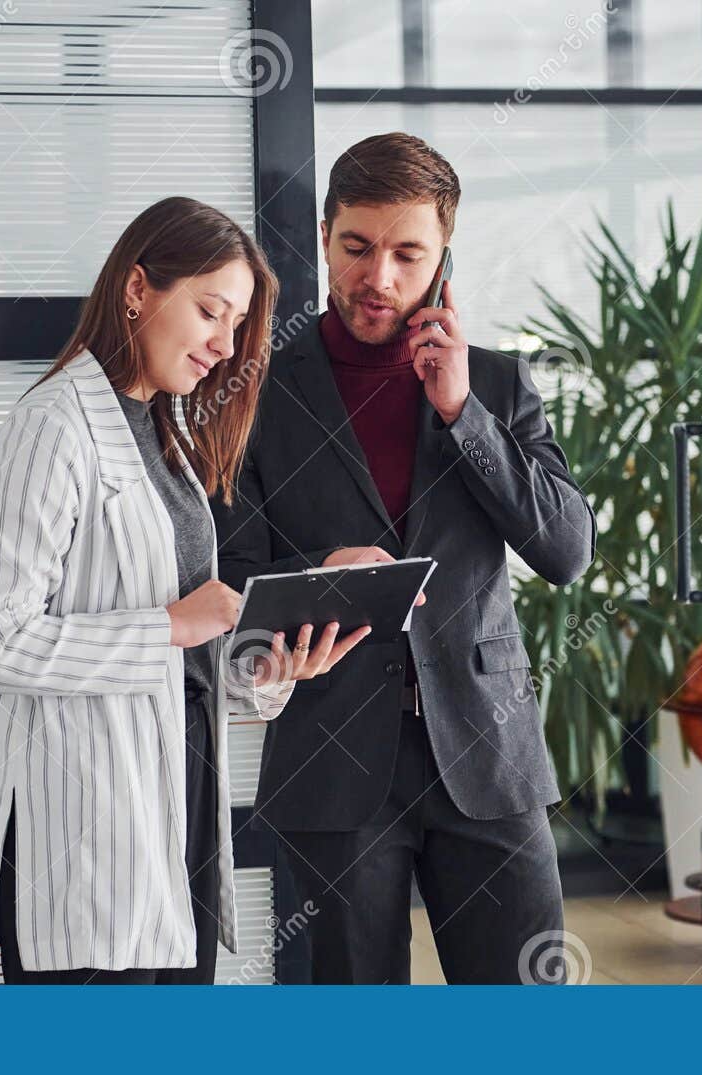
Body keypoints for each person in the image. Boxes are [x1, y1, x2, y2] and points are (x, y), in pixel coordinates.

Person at [0, 196, 369, 985]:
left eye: (236, 326)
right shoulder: (53, 427)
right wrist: (169, 623)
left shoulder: (166, 437)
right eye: (211, 311)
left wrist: (266, 670)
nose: (224, 345)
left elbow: (186, 651)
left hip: (181, 801)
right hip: (82, 826)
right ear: (137, 288)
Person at [213, 134, 597, 984]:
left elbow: (567, 549)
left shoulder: (493, 385)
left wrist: (461, 412)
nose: (377, 277)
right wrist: (324, 573)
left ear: (443, 259)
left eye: (406, 253)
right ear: (324, 237)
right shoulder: (256, 393)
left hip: (488, 755)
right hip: (333, 759)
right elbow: (229, 573)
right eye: (356, 247)